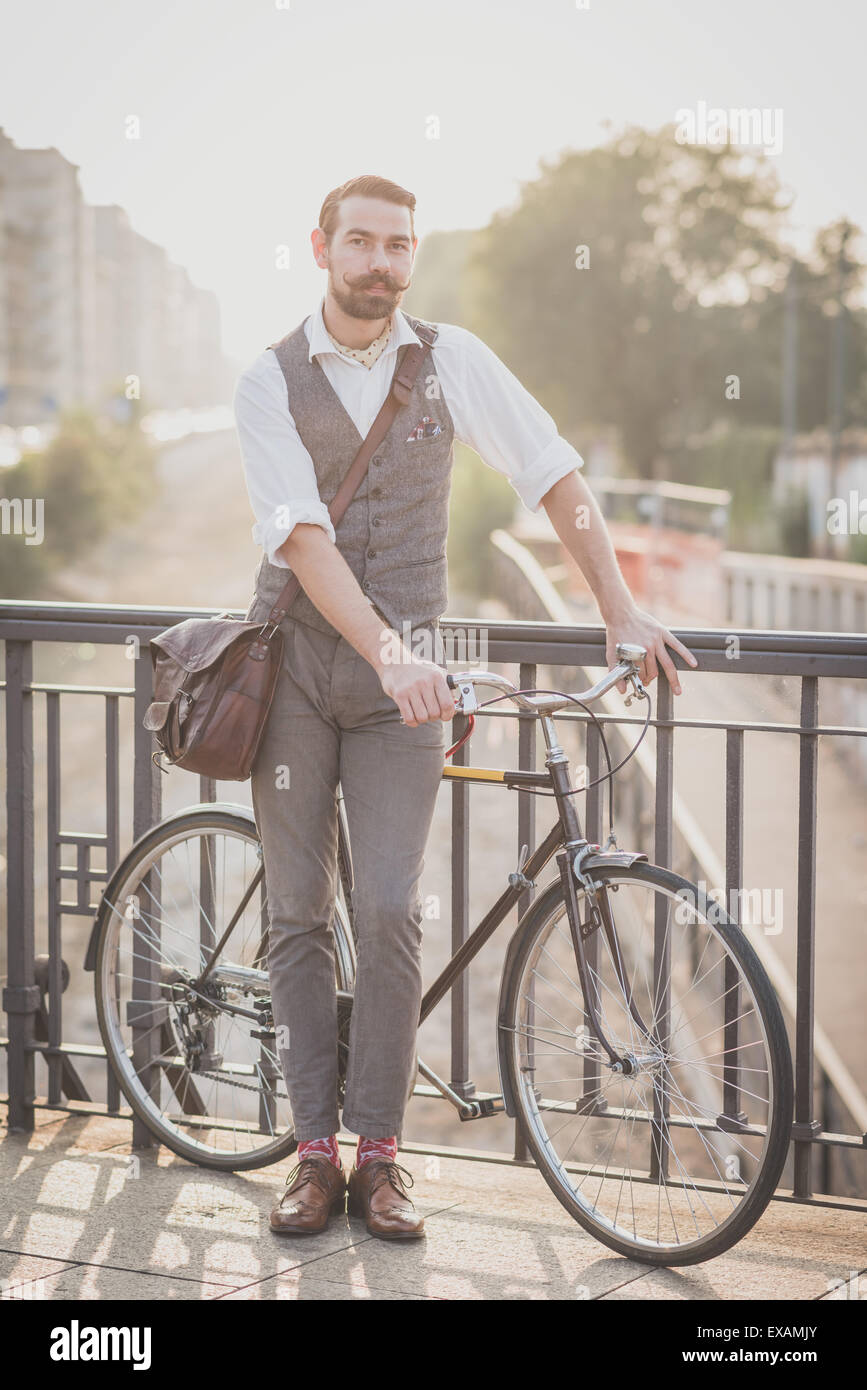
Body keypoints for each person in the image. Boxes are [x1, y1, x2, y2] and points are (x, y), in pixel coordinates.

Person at [233, 174, 697, 1242]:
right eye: (361, 242)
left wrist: (618, 610)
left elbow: (553, 471)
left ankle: (382, 1157)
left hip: (413, 689)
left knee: (392, 910)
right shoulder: (268, 379)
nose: (382, 263)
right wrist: (392, 653)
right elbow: (301, 539)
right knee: (301, 914)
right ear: (321, 248)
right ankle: (313, 1154)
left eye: (399, 244)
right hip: (300, 675)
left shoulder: (451, 359)